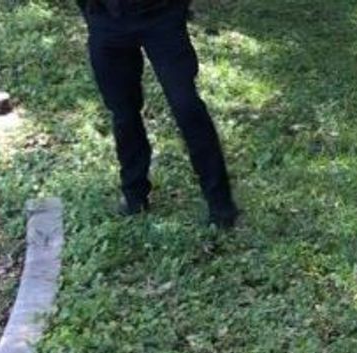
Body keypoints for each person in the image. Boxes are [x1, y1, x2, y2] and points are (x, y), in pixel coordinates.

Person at [78, 0, 239, 229]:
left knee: (186, 106)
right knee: (124, 112)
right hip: (106, 20)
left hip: (162, 16)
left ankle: (221, 205)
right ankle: (134, 196)